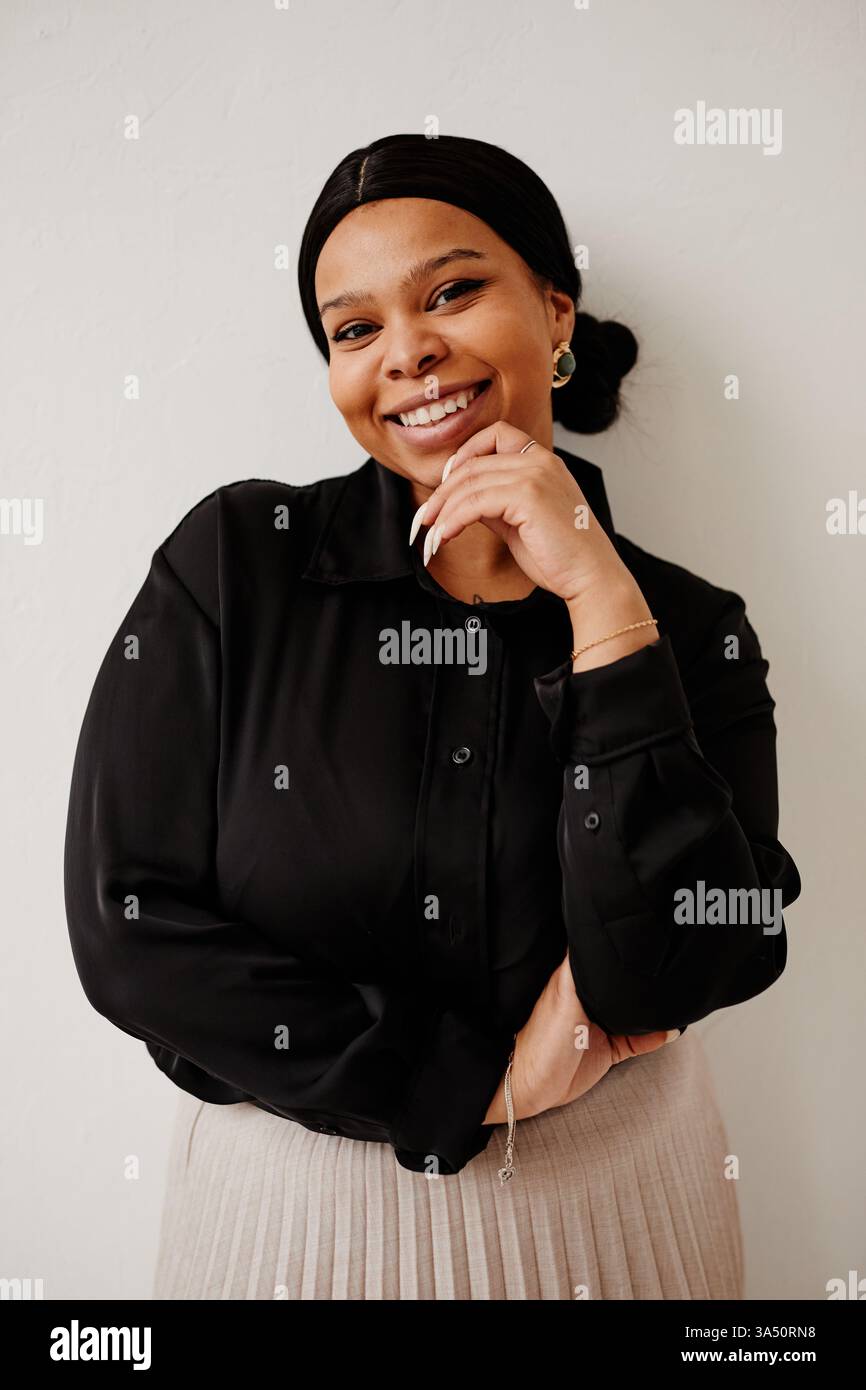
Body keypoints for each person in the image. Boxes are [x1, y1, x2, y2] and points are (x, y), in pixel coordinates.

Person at [63, 133, 801, 1300]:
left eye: (451, 292)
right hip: (286, 1234)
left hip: (611, 1232)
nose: (406, 354)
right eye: (354, 329)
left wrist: (602, 606)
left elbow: (692, 954)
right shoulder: (231, 568)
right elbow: (129, 924)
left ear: (554, 315)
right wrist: (469, 1086)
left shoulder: (686, 622)